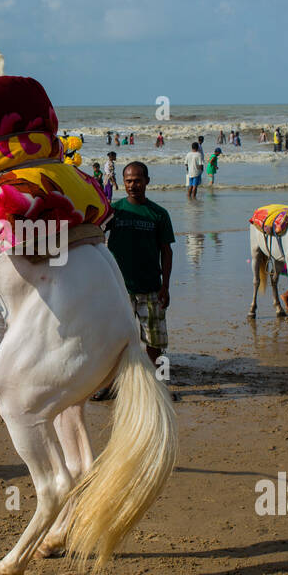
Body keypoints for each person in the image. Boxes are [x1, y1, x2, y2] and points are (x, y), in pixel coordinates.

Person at [99, 161, 174, 398]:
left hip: (150, 288)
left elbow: (166, 251)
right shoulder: (114, 211)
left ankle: (162, 383)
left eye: (138, 180)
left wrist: (165, 286)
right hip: (118, 290)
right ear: (123, 182)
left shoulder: (159, 214)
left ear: (147, 181)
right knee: (113, 342)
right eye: (129, 181)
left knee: (156, 343)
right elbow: (94, 236)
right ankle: (109, 386)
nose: (133, 185)